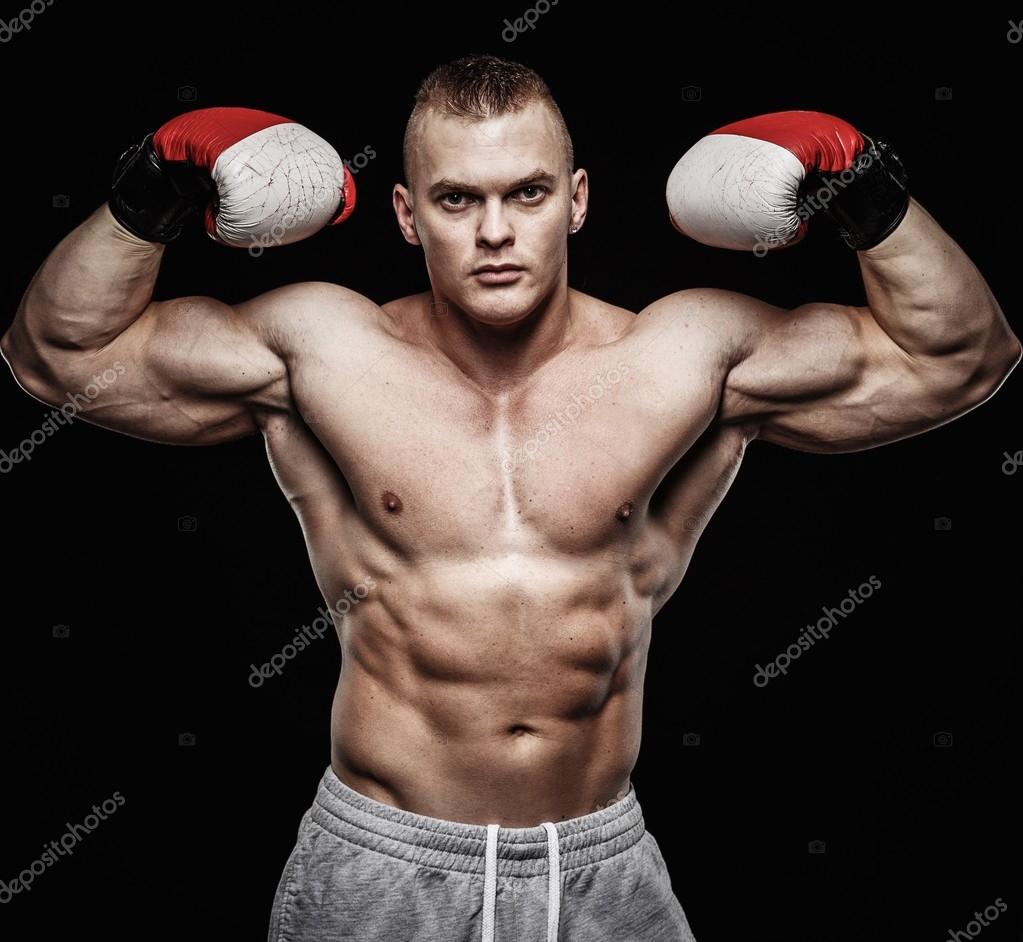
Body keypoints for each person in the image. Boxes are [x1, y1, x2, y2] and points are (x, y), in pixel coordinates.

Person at [2, 54, 1018, 942]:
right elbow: (58, 355)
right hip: (383, 861)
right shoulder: (324, 346)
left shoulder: (682, 353)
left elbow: (960, 360)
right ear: (407, 214)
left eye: (527, 194)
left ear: (576, 200)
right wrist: (144, 201)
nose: (495, 232)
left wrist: (874, 202)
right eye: (457, 200)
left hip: (599, 862)